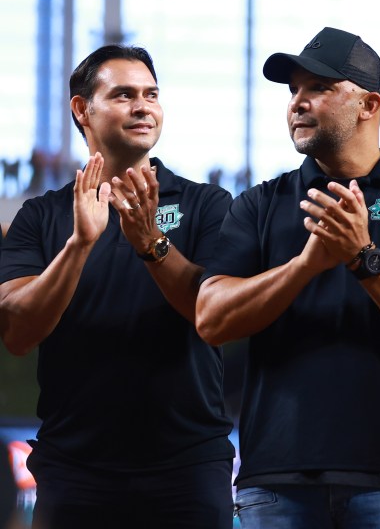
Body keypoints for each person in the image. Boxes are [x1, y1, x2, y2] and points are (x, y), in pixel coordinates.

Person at [194, 26, 380, 529]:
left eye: (319, 88)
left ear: (369, 105)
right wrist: (305, 266)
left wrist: (364, 258)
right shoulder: (259, 204)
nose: (298, 103)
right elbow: (211, 318)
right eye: (294, 91)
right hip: (275, 478)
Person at [0, 45, 235, 529]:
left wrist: (152, 243)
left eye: (151, 94)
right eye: (124, 95)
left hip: (187, 467)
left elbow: (215, 316)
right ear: (82, 109)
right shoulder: (41, 216)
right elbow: (18, 332)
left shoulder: (209, 204)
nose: (143, 106)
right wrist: (80, 244)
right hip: (75, 469)